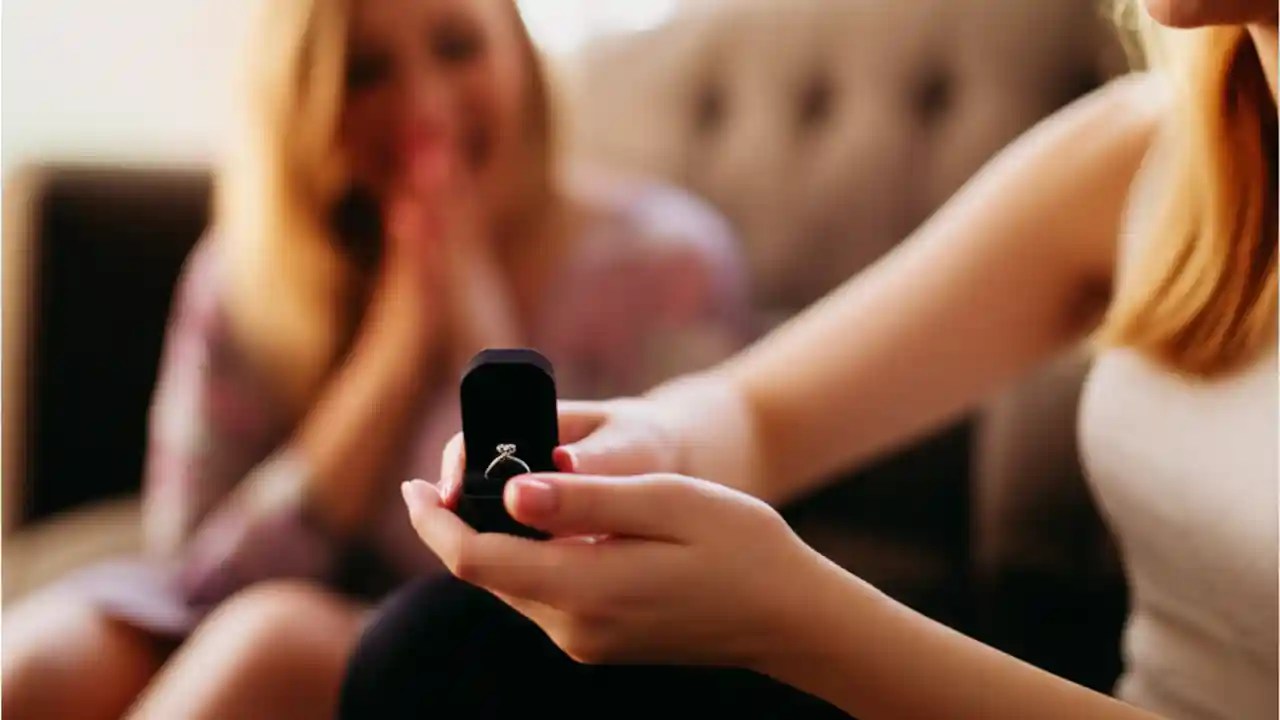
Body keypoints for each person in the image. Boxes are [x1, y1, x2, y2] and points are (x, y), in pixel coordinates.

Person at [341, 0, 1278, 718]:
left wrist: (796, 623)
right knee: (441, 648)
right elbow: (762, 414)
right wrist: (635, 450)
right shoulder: (1156, 153)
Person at [0, 1, 751, 718]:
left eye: (457, 46)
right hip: (243, 603)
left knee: (269, 646)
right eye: (364, 71)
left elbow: (616, 577)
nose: (422, 104)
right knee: (34, 671)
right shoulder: (243, 275)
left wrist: (476, 326)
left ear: (518, 52)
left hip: (492, 637)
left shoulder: (667, 262)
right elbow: (196, 576)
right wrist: (391, 356)